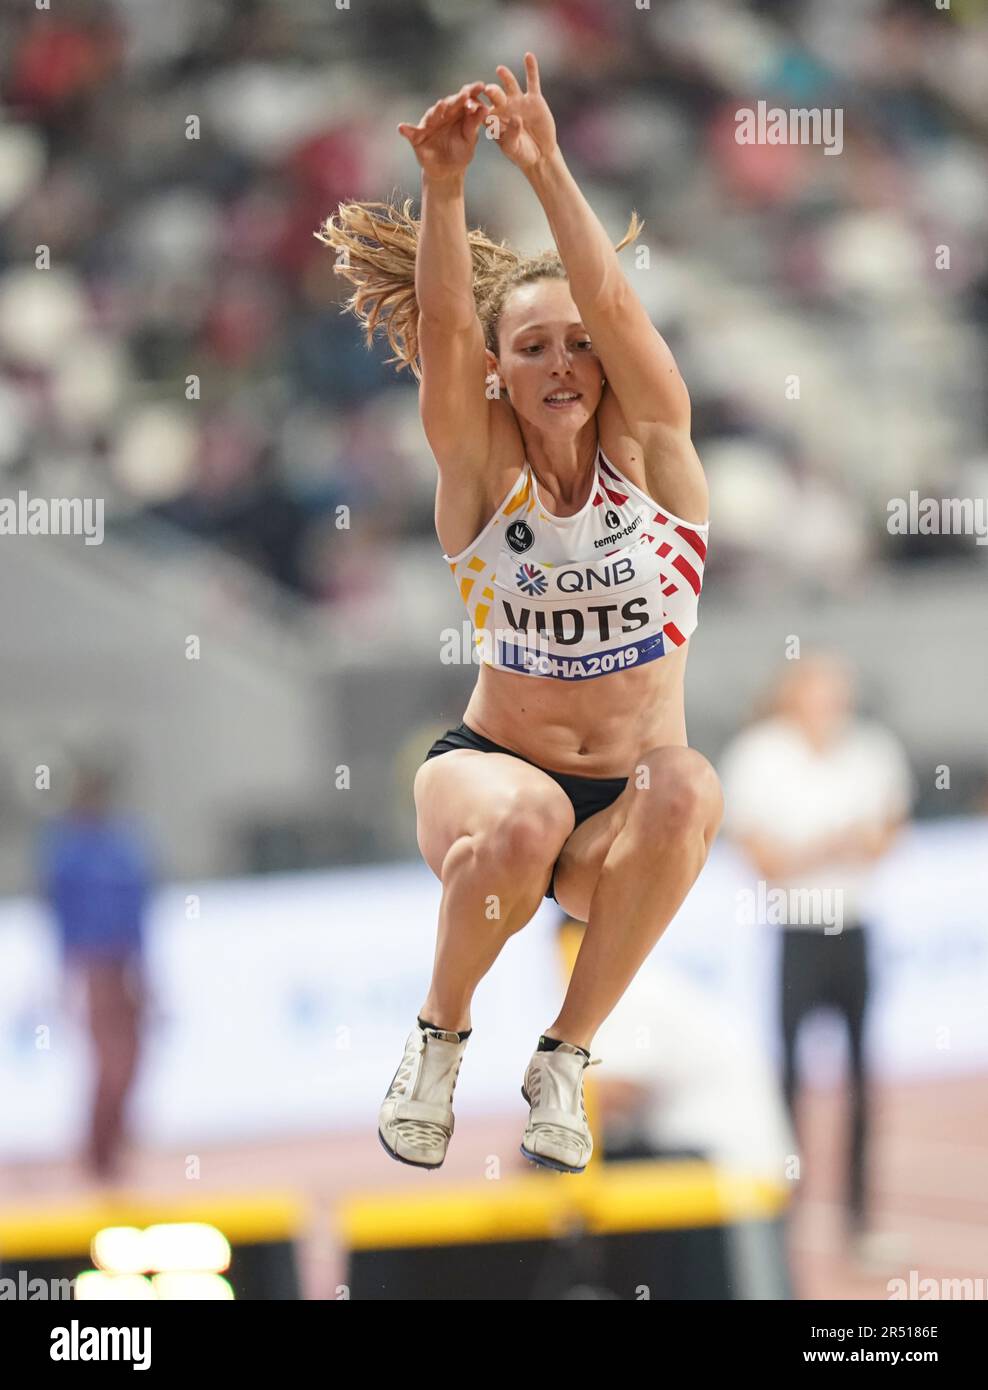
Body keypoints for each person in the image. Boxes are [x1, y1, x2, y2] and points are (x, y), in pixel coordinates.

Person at [320, 54, 722, 1174]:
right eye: (530, 346)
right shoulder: (477, 469)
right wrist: (446, 188)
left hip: (620, 817)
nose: (561, 362)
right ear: (499, 371)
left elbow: (619, 303)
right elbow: (445, 334)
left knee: (689, 778)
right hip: (491, 773)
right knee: (527, 816)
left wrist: (542, 166)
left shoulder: (658, 462)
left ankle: (563, 1054)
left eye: (576, 344)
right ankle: (439, 1040)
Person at [717, 654, 913, 1259]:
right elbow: (763, 859)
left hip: (852, 928)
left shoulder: (872, 749)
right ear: (793, 695)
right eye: (821, 692)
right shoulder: (758, 755)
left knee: (861, 1077)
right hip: (797, 931)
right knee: (787, 1082)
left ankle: (859, 1221)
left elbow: (885, 837)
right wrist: (835, 844)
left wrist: (815, 850)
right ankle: (783, 1216)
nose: (832, 703)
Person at [38, 763, 152, 1181]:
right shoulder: (67, 851)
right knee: (111, 1063)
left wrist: (144, 970)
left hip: (125, 963)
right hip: (94, 965)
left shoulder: (123, 845)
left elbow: (138, 911)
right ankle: (98, 1153)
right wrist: (67, 972)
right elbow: (61, 917)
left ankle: (113, 1141)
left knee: (134, 1057)